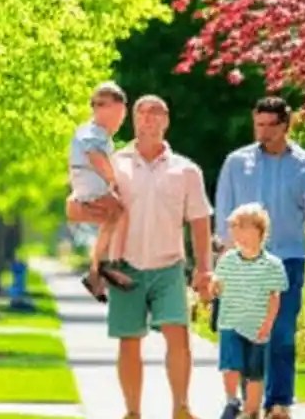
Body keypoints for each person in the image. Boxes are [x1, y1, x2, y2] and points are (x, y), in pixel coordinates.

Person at [66, 94, 215, 419]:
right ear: (133, 121)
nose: (149, 117)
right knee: (129, 341)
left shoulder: (186, 170)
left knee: (179, 336)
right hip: (125, 265)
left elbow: (200, 222)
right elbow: (76, 205)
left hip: (169, 264)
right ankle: (132, 412)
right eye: (142, 112)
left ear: (166, 120)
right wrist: (90, 213)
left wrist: (204, 268)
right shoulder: (113, 164)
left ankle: (181, 407)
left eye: (156, 112)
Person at [215, 96, 305, 419]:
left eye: (271, 126)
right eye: (259, 125)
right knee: (245, 333)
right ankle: (249, 402)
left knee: (280, 332)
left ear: (286, 124)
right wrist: (221, 268)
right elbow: (224, 217)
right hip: (243, 264)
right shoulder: (236, 163)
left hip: (288, 260)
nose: (263, 132)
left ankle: (279, 402)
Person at [210, 203, 288, 419]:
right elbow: (216, 282)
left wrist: (268, 323)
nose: (238, 235)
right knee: (230, 364)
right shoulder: (227, 260)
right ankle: (231, 400)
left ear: (260, 232)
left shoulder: (273, 265)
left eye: (244, 229)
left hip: (257, 326)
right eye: (235, 229)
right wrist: (214, 285)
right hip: (230, 322)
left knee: (255, 372)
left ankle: (251, 410)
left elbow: (275, 297)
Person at [69, 81, 132, 300]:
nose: (120, 120)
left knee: (114, 218)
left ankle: (97, 269)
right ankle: (105, 265)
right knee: (120, 211)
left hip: (90, 183)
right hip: (90, 183)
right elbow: (95, 156)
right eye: (95, 104)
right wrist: (114, 181)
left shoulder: (102, 134)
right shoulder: (92, 132)